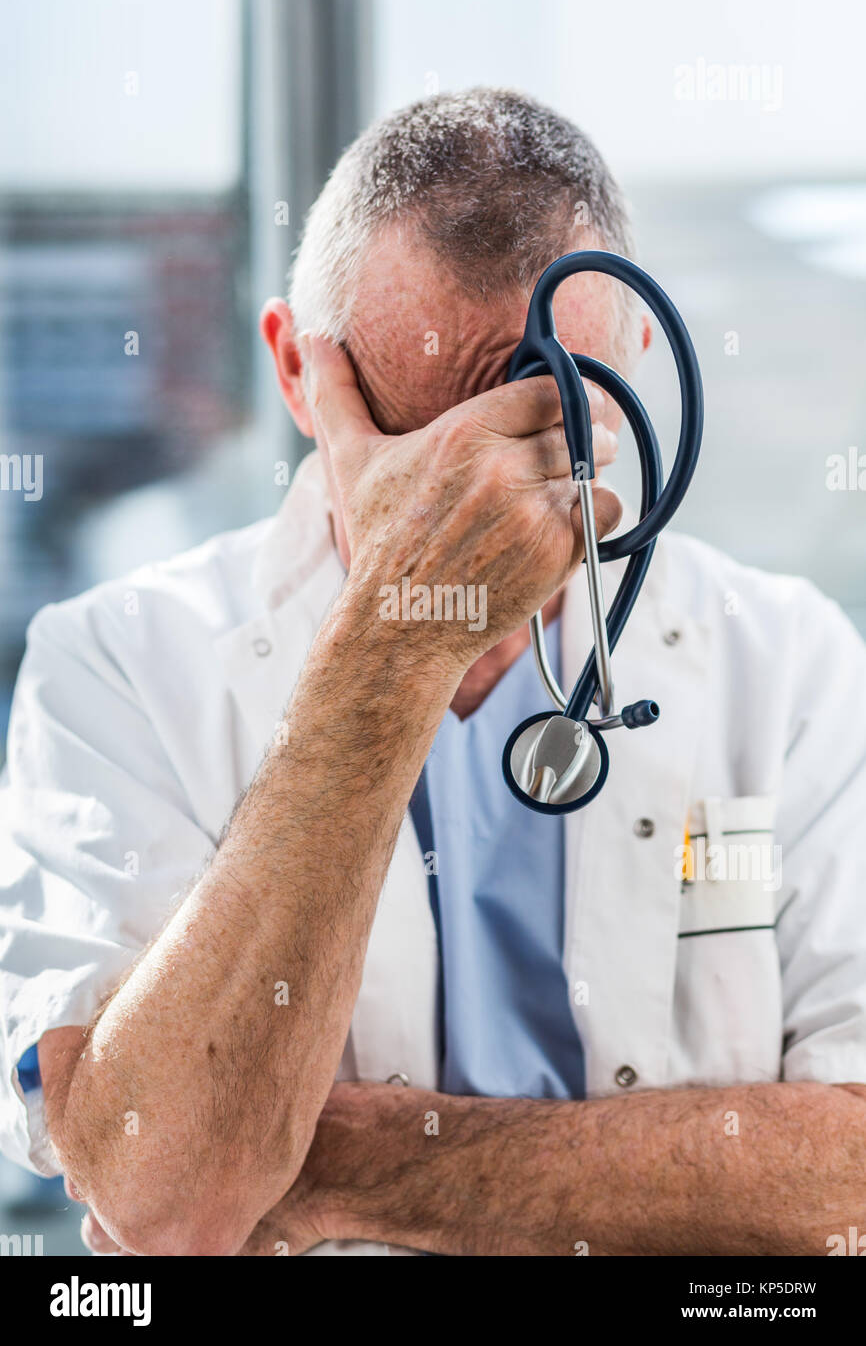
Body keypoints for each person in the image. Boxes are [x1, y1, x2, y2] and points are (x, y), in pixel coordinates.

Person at [1, 88, 865, 1258]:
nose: (489, 505)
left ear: (637, 357)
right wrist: (396, 641)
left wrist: (347, 1166)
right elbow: (166, 1196)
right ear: (301, 379)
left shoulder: (793, 661)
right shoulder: (112, 665)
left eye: (550, 421)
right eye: (431, 445)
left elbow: (848, 1178)